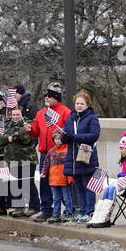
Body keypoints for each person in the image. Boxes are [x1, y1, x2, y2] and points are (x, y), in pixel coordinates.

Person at [28, 89, 70, 222]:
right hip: (45, 153)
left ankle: (68, 210)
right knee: (45, 182)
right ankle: (46, 209)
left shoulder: (65, 112)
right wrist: (30, 129)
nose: (46, 98)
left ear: (56, 98)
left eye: (49, 96)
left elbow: (68, 131)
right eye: (45, 95)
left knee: (63, 183)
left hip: (61, 155)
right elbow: (35, 131)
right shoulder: (41, 113)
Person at [61, 92, 101, 223]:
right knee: (79, 188)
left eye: (82, 104)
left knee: (88, 186)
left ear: (87, 105)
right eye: (77, 103)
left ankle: (89, 212)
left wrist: (76, 137)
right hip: (73, 158)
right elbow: (65, 136)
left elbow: (94, 135)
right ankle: (82, 211)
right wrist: (64, 137)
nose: (79, 106)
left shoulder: (92, 118)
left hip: (86, 157)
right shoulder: (71, 118)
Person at [0, 103, 37, 217]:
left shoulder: (28, 123)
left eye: (18, 114)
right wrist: (7, 138)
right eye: (13, 114)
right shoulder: (6, 124)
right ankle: (19, 207)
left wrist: (10, 137)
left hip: (27, 159)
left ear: (21, 114)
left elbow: (27, 137)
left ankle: (34, 206)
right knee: (16, 184)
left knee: (28, 183)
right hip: (11, 160)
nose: (15, 116)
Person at [46, 129, 74, 222]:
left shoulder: (68, 150)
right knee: (56, 199)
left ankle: (69, 213)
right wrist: (43, 172)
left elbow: (70, 165)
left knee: (67, 198)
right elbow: (46, 163)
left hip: (64, 179)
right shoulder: (50, 151)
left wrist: (70, 177)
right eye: (55, 139)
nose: (57, 140)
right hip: (53, 180)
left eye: (59, 138)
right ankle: (56, 214)